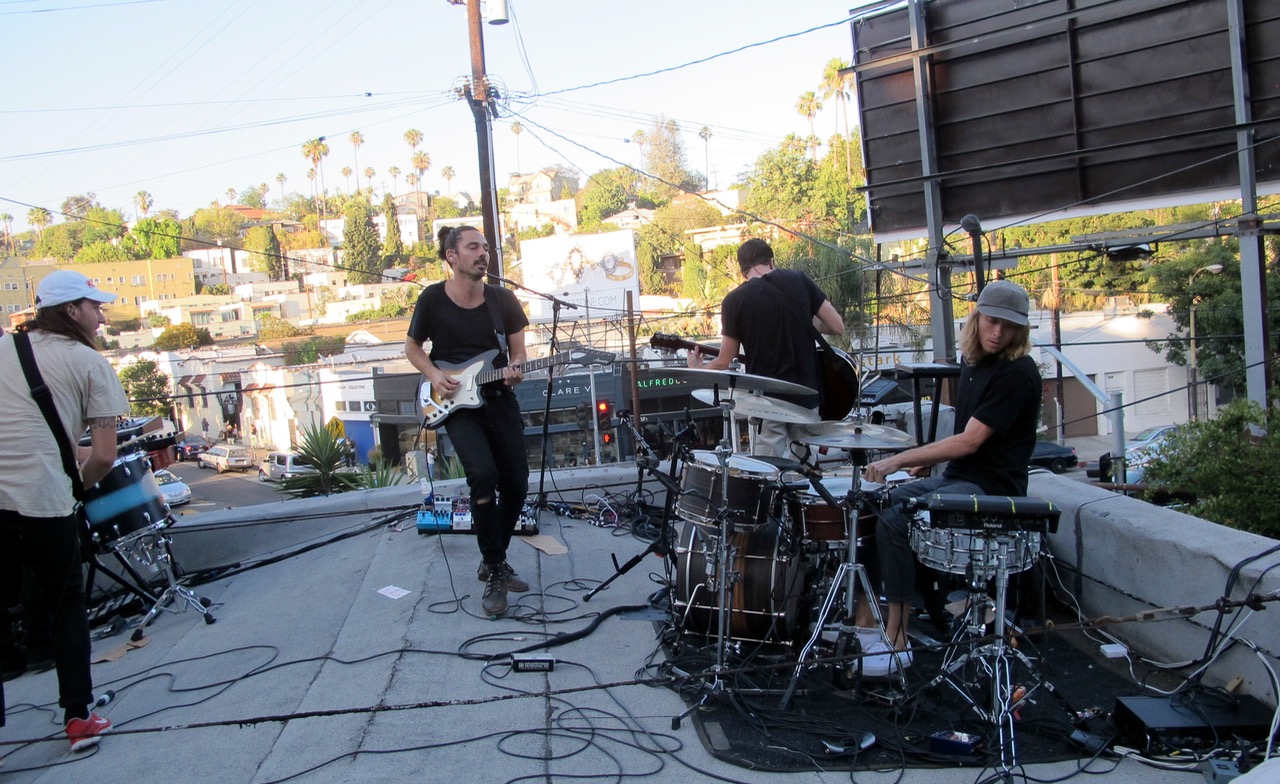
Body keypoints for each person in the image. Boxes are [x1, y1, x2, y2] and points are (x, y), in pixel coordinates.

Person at [860, 280, 1041, 675]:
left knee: (897, 519)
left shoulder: (1017, 373)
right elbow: (966, 431)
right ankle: (869, 619)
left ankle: (898, 637)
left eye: (1008, 327)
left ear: (1019, 331)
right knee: (876, 504)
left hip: (994, 490)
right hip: (963, 477)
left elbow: (971, 441)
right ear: (976, 319)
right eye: (992, 322)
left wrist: (901, 459)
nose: (998, 333)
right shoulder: (974, 362)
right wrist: (929, 464)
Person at [0, 269, 129, 751]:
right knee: (66, 608)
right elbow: (102, 456)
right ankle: (78, 719)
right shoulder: (88, 363)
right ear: (70, 311)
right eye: (94, 306)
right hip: (44, 504)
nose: (101, 315)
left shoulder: (2, 348)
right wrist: (75, 488)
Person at [405, 226, 531, 617]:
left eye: (486, 247)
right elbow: (412, 347)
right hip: (455, 405)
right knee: (482, 475)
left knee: (517, 484)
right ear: (452, 256)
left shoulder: (502, 300)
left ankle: (494, 557)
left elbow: (520, 353)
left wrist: (516, 370)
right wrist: (432, 374)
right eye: (473, 247)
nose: (483, 253)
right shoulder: (431, 299)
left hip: (497, 398)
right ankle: (495, 569)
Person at [687, 238, 845, 457]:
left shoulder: (734, 301)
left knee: (769, 470)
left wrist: (697, 367)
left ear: (743, 273)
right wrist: (805, 323)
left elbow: (724, 362)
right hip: (807, 395)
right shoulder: (799, 279)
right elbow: (837, 326)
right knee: (803, 469)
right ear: (772, 261)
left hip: (768, 401)